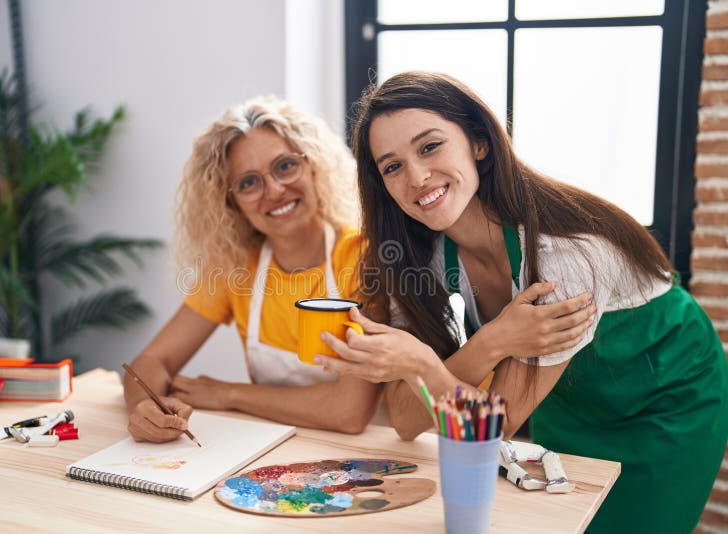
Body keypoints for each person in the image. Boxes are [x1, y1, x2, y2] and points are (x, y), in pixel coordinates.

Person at [318, 71, 728, 534]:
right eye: (392, 167)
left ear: (479, 143)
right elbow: (409, 422)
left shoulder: (566, 255)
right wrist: (491, 342)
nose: (416, 177)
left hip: (666, 401)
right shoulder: (418, 259)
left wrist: (425, 367)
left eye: (430, 147)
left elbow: (495, 429)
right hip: (568, 395)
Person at [123, 96, 381, 441]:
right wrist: (145, 408)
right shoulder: (237, 270)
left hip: (372, 457)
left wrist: (229, 394)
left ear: (314, 165)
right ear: (230, 204)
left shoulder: (364, 258)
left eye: (286, 166)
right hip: (278, 454)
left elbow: (349, 412)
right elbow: (151, 362)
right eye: (248, 182)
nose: (274, 190)